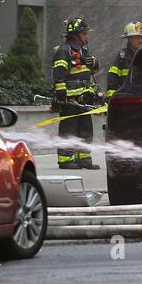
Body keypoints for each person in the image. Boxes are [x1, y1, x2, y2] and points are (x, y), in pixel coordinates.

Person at [51, 16, 101, 169]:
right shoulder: (64, 51)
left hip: (84, 99)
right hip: (70, 100)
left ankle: (83, 158)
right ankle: (65, 159)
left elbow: (93, 70)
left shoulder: (83, 51)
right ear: (75, 34)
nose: (87, 36)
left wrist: (94, 63)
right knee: (69, 129)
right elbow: (58, 75)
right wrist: (61, 95)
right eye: (84, 33)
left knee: (85, 129)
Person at [105, 21, 142, 99]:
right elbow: (112, 77)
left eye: (141, 37)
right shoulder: (122, 57)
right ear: (129, 39)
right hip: (127, 98)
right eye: (137, 37)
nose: (141, 40)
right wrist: (112, 98)